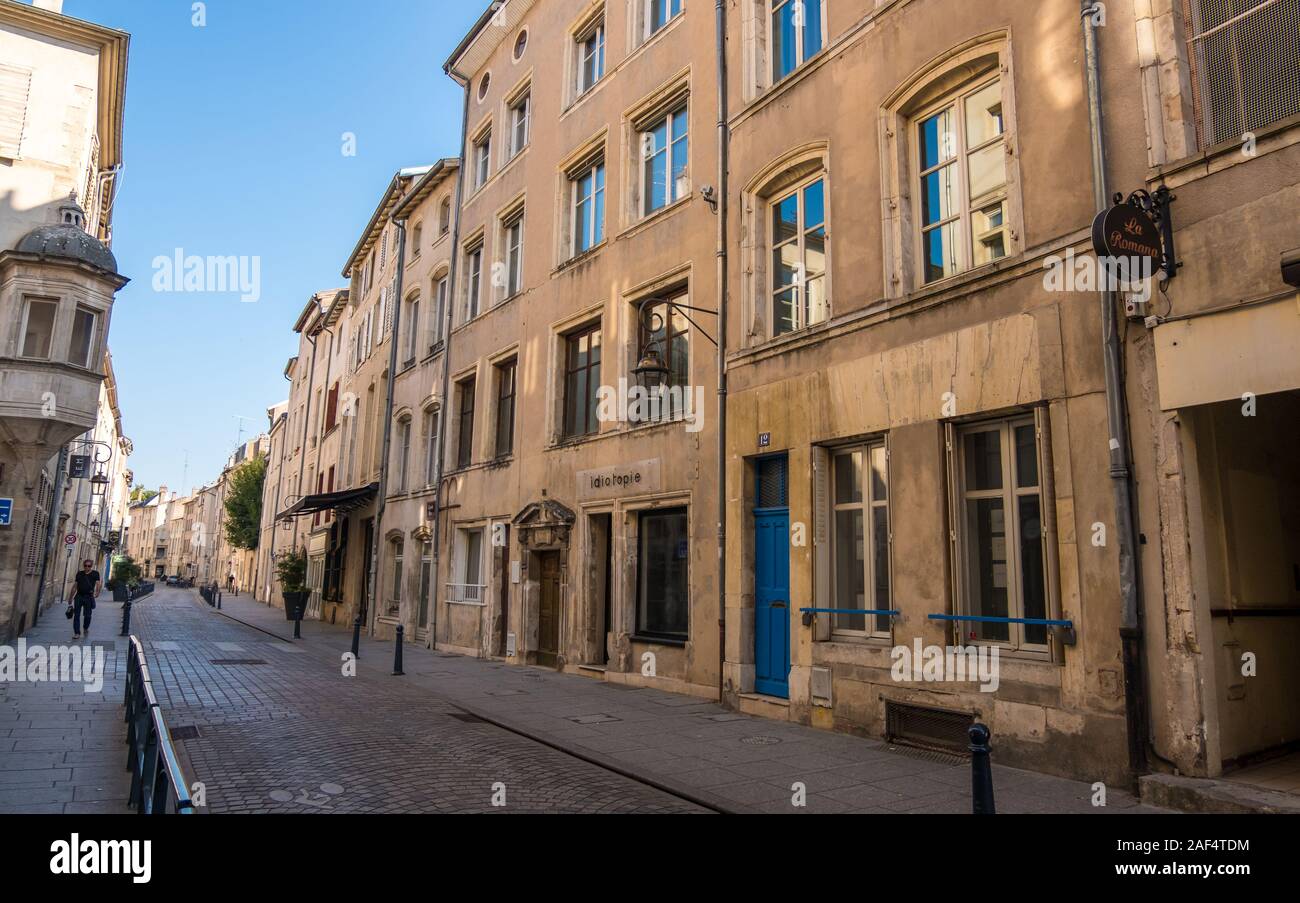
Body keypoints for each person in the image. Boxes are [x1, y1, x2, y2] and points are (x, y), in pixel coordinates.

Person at [68, 559, 101, 640]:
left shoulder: (95, 574)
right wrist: (70, 598)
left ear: (91, 566)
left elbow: (98, 584)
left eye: (89, 566)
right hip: (79, 596)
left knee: (88, 615)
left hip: (89, 597)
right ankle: (77, 633)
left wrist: (97, 592)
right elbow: (75, 586)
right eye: (85, 565)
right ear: (83, 566)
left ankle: (85, 627)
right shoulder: (79, 574)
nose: (87, 567)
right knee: (76, 615)